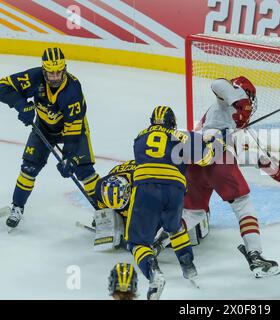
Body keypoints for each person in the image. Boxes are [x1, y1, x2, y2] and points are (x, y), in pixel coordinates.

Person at [184, 76, 280, 278]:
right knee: (243, 204)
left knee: (193, 213)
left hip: (195, 163)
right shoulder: (228, 99)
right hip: (215, 159)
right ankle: (255, 255)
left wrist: (272, 169)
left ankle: (158, 242)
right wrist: (241, 104)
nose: (250, 106)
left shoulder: (232, 122)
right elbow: (218, 84)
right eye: (249, 100)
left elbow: (245, 152)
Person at [126, 105, 219, 300]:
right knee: (175, 227)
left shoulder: (139, 137)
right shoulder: (181, 135)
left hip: (146, 187)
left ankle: (154, 274)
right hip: (174, 189)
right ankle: (188, 266)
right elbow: (205, 159)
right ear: (172, 122)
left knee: (137, 242)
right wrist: (210, 143)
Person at [0, 47, 99, 228]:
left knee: (84, 170)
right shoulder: (34, 77)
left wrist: (69, 156)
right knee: (28, 168)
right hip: (44, 128)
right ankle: (17, 207)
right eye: (50, 73)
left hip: (73, 130)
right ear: (44, 70)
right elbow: (3, 86)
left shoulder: (72, 90)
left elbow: (73, 128)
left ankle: (103, 213)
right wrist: (22, 105)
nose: (54, 77)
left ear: (65, 69)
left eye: (58, 73)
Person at [91, 160, 210, 252]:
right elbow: (103, 208)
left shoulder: (148, 187)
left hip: (164, 183)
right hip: (138, 177)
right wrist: (104, 218)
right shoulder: (100, 188)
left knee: (178, 228)